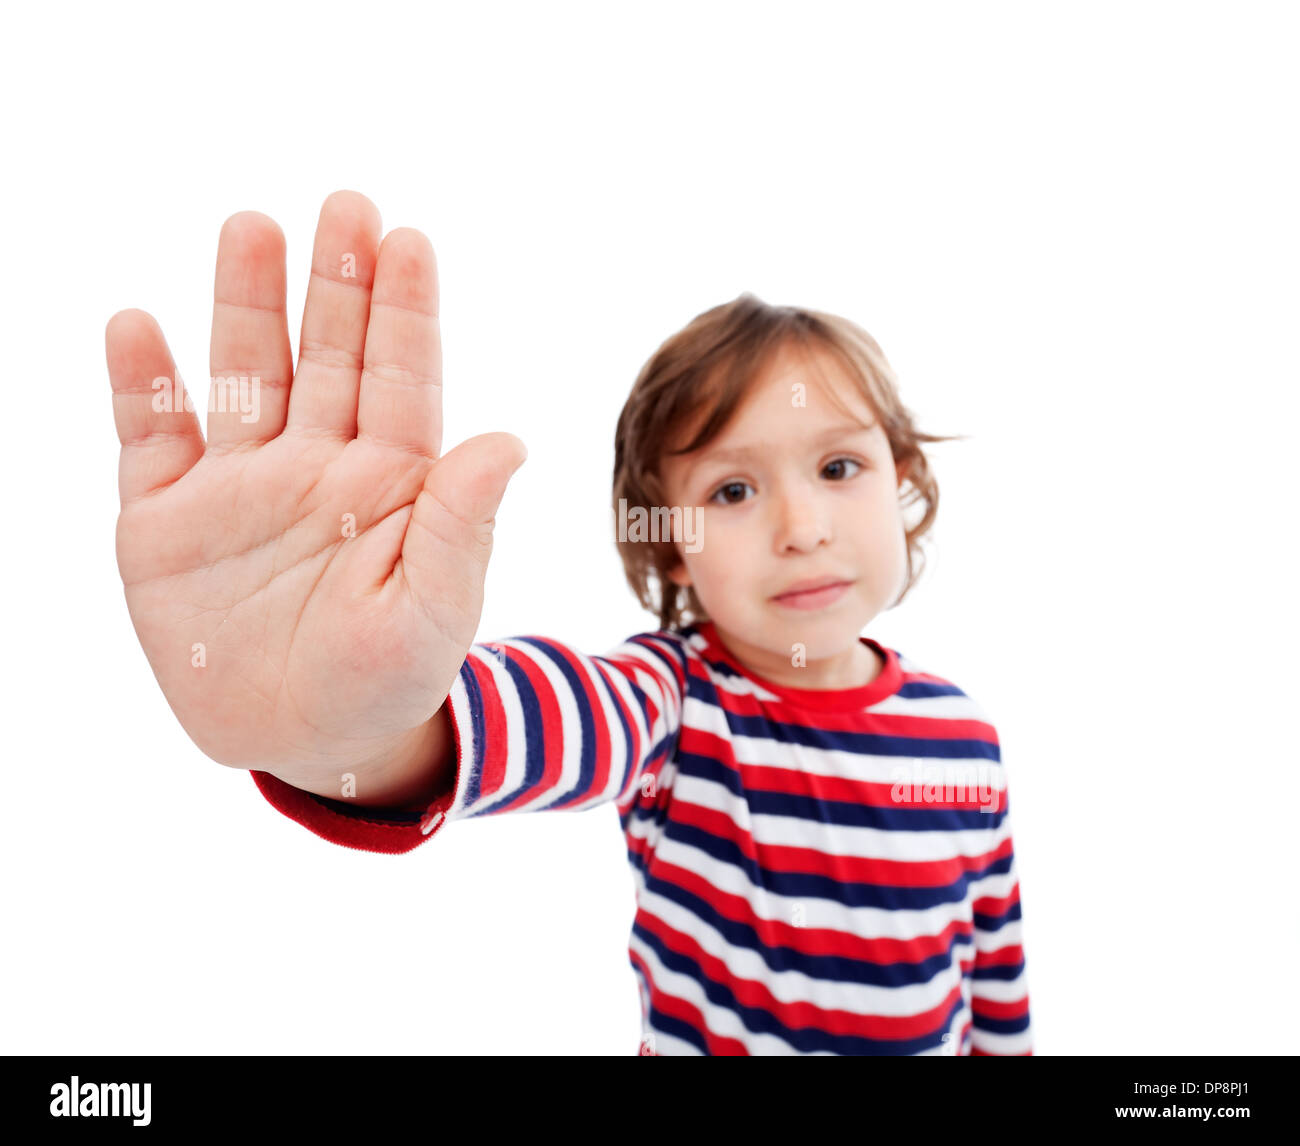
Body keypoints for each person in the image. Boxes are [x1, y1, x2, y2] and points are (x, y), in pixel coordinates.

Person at [105, 190, 1032, 1055]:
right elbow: (551, 718)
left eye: (839, 468)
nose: (803, 529)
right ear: (670, 544)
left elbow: (996, 979)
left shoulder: (965, 738)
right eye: (735, 490)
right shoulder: (677, 707)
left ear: (902, 474)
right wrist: (369, 730)